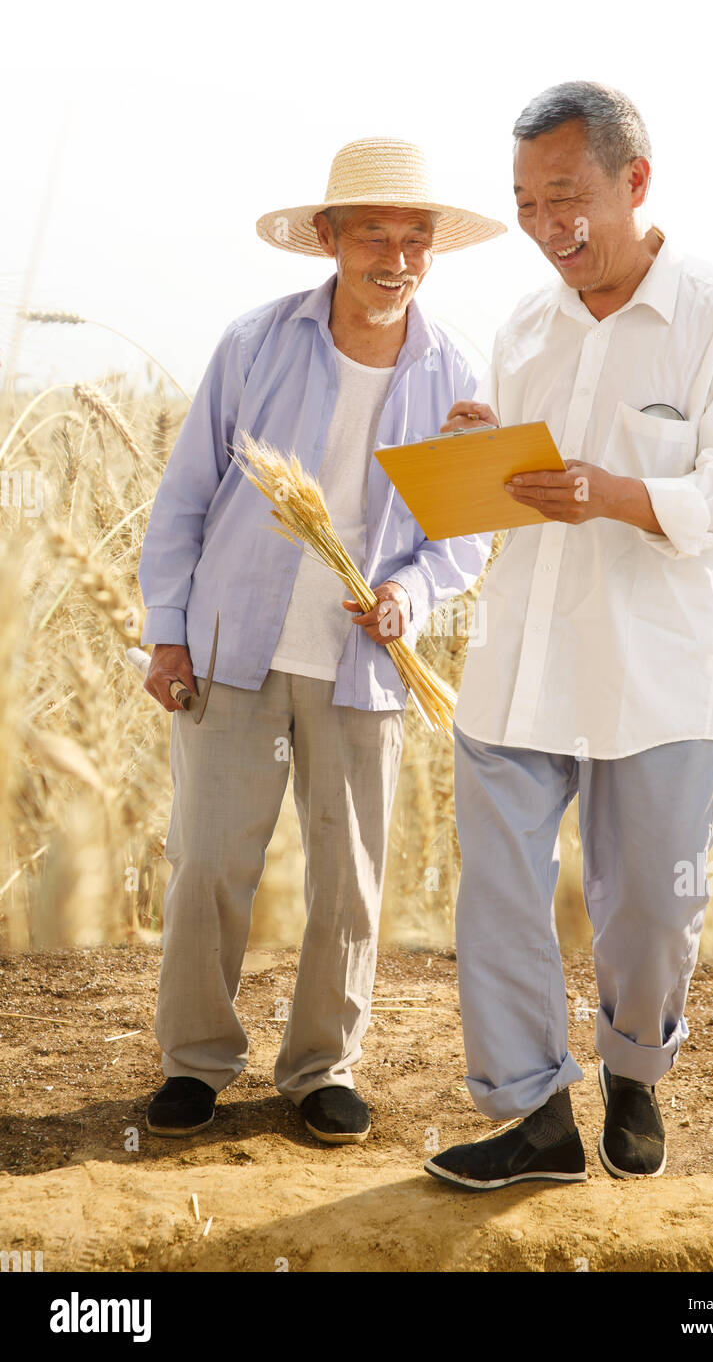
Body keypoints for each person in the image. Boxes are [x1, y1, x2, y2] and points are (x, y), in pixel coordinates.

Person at [424, 82, 713, 1190]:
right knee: (495, 888)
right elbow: (520, 493)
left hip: (658, 672)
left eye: (563, 198)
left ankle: (631, 1072)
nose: (542, 226)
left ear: (635, 182)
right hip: (520, 656)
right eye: (524, 202)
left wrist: (613, 490)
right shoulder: (523, 325)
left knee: (649, 908)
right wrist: (479, 456)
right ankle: (531, 1114)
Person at [137, 137, 503, 1145]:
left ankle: (321, 1068)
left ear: (432, 250)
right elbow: (182, 503)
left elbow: (463, 537)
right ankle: (196, 1064)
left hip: (360, 668)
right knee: (209, 861)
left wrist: (408, 594)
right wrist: (167, 635)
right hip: (231, 653)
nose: (396, 258)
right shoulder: (251, 344)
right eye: (375, 235)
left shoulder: (459, 372)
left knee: (349, 879)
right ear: (329, 239)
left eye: (414, 239)